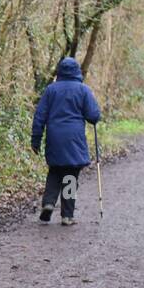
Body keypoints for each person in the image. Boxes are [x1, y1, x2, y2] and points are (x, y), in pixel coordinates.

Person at [30, 56, 101, 225]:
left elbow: (39, 116)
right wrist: (96, 115)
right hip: (74, 138)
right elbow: (93, 116)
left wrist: (36, 139)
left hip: (55, 137)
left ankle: (48, 203)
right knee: (70, 174)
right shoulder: (83, 90)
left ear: (60, 71)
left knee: (55, 171)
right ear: (77, 71)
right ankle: (67, 216)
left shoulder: (51, 90)